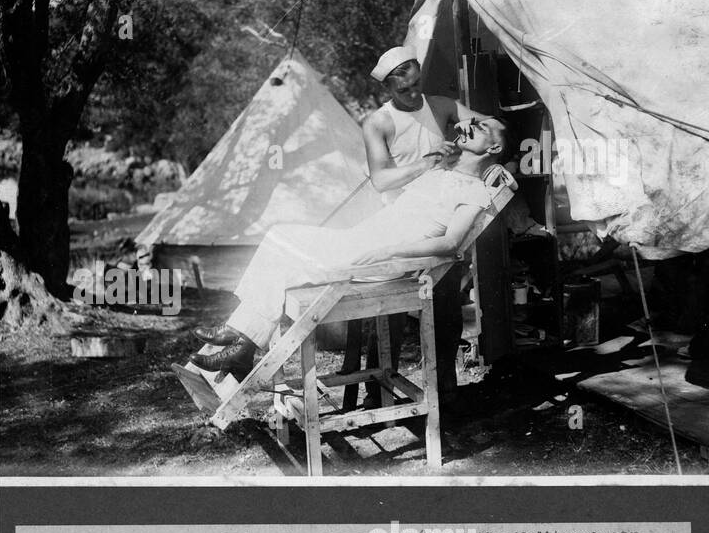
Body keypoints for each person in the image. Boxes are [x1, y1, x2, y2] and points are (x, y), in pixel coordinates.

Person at [187, 117, 512, 382]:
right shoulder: (439, 173)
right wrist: (429, 163)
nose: (469, 124)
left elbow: (451, 243)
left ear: (494, 146)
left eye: (482, 127)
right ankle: (241, 342)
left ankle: (241, 342)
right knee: (277, 236)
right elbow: (387, 189)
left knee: (281, 251)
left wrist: (390, 252)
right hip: (360, 240)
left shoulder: (474, 192)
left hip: (379, 259)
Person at [361, 46, 481, 409]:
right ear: (388, 90)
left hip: (437, 219)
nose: (413, 95)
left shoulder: (439, 105)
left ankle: (445, 393)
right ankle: (377, 396)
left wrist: (464, 142)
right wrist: (428, 164)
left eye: (416, 85)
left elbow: (486, 125)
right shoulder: (378, 123)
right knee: (389, 315)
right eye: (404, 91)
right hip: (399, 221)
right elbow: (381, 181)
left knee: (445, 308)